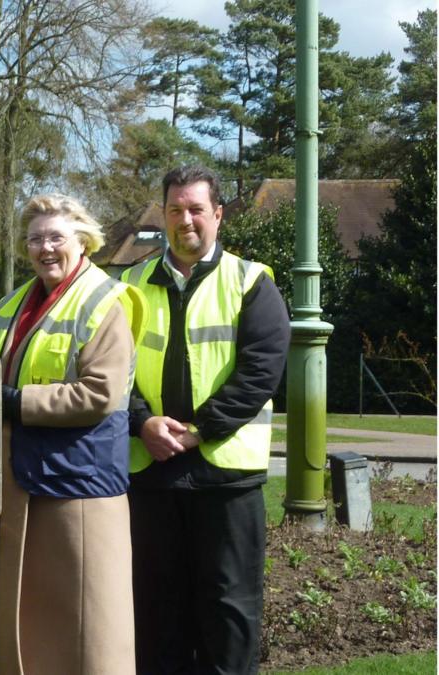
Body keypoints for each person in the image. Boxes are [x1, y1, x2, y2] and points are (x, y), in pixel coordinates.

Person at [125, 165, 290, 674]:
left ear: (218, 215)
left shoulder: (251, 281)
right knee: (155, 612)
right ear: (165, 217)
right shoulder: (128, 285)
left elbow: (261, 372)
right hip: (152, 474)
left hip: (225, 477)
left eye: (196, 209)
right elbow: (107, 370)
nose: (185, 220)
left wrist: (199, 431)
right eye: (175, 210)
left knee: (230, 610)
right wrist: (142, 422)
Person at [0, 194, 145, 674]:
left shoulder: (105, 299)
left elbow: (99, 393)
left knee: (90, 632)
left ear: (83, 241)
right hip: (23, 481)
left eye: (56, 236)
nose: (45, 248)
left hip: (80, 485)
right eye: (36, 238)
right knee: (33, 628)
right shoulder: (17, 301)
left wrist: (17, 403)